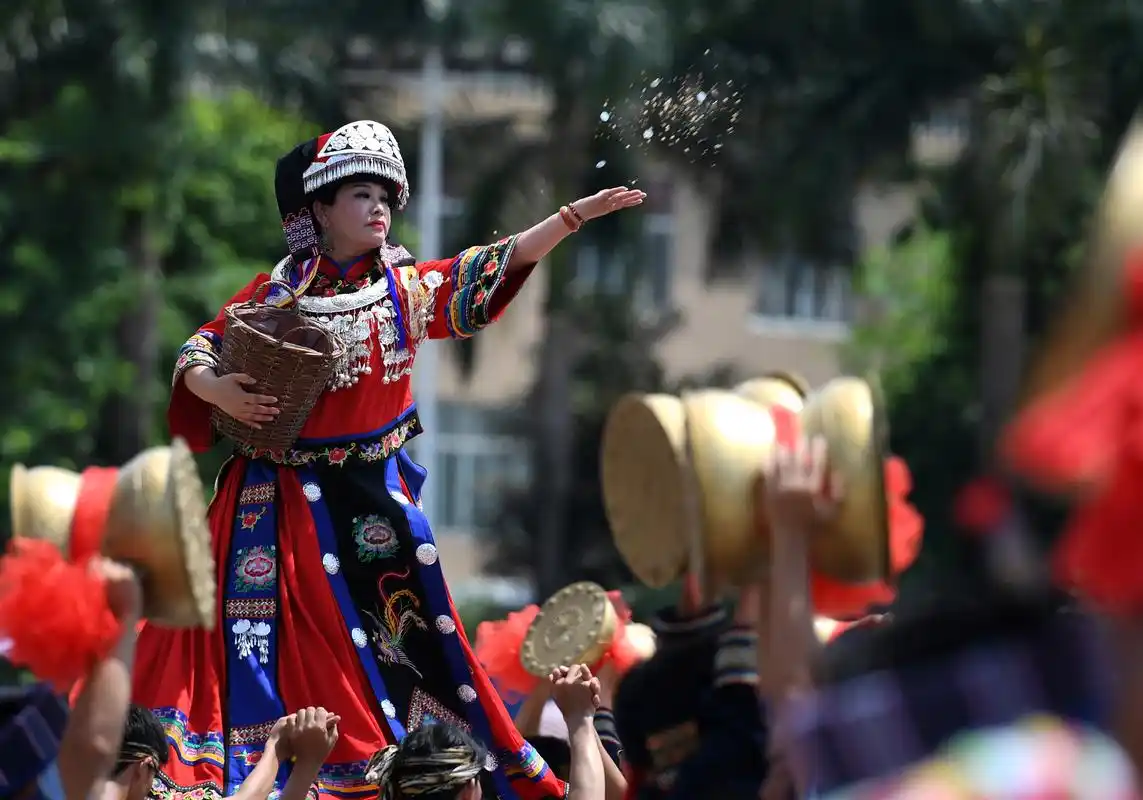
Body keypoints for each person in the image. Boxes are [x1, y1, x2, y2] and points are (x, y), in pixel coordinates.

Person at [131, 118, 645, 800]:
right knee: (268, 647)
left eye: (384, 195)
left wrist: (569, 218)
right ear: (318, 210)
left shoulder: (405, 292)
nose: (377, 208)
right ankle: (283, 771)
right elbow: (199, 349)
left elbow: (488, 267)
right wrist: (216, 385)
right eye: (359, 195)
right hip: (275, 508)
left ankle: (424, 777)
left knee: (414, 649)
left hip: (373, 508)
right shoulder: (276, 297)